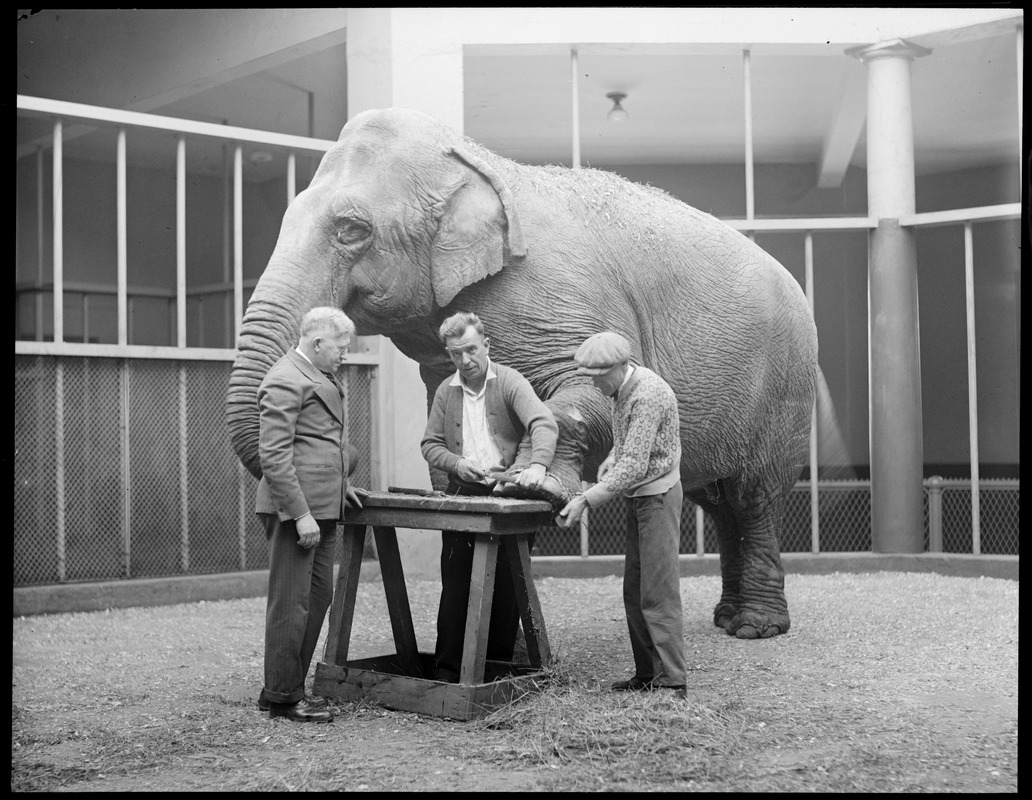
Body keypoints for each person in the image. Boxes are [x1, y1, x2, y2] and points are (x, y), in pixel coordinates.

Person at [420, 311, 558, 683]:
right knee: (456, 586)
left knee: (507, 589)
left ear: (486, 346)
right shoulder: (445, 391)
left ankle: (496, 674)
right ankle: (447, 674)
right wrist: (457, 462)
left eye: (470, 351)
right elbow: (430, 444)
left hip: (508, 496)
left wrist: (538, 467)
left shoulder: (510, 381)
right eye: (454, 354)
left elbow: (543, 422)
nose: (464, 361)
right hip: (463, 495)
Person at [556, 331, 688, 699]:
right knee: (635, 591)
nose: (594, 384)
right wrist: (612, 455)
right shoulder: (620, 389)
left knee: (658, 593)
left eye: (598, 376)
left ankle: (674, 682)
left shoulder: (646, 393)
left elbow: (634, 465)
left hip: (657, 497)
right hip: (638, 496)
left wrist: (585, 499)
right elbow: (628, 443)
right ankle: (648, 675)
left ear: (618, 367)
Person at [255, 306, 368, 722]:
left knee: (317, 597)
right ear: (317, 343)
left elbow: (320, 444)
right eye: (340, 348)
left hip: (323, 505)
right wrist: (299, 513)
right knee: (292, 604)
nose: (344, 355)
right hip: (296, 511)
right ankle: (284, 698)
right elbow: (274, 455)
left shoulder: (319, 376)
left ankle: (283, 687)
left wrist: (340, 485)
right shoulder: (285, 378)